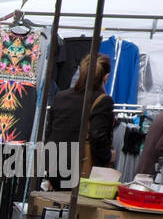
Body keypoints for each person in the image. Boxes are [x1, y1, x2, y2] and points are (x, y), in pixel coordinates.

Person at [45, 53, 114, 188]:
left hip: (55, 166)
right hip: (81, 168)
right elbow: (97, 137)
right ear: (106, 76)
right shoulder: (103, 101)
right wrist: (108, 156)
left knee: (59, 206)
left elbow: (50, 132)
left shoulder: (61, 96)